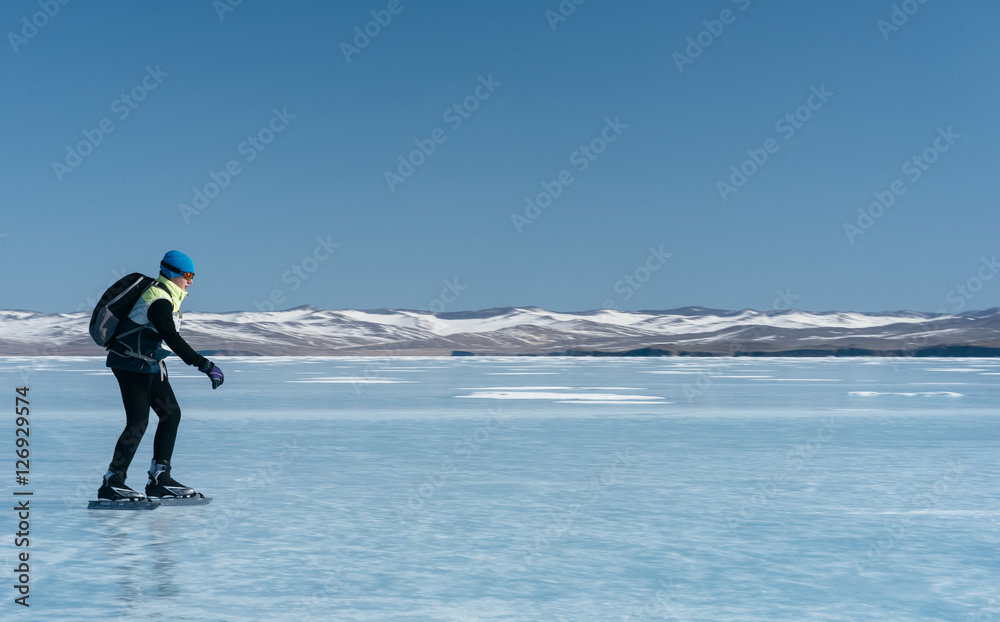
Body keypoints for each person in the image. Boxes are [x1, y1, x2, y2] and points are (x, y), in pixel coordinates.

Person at [98, 250, 225, 501]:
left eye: (193, 276)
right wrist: (205, 365)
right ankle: (113, 481)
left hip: (149, 363)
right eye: (187, 275)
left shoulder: (168, 296)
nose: (190, 281)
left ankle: (159, 478)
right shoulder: (157, 299)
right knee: (138, 422)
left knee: (170, 413)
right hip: (129, 363)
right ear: (172, 273)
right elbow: (172, 338)